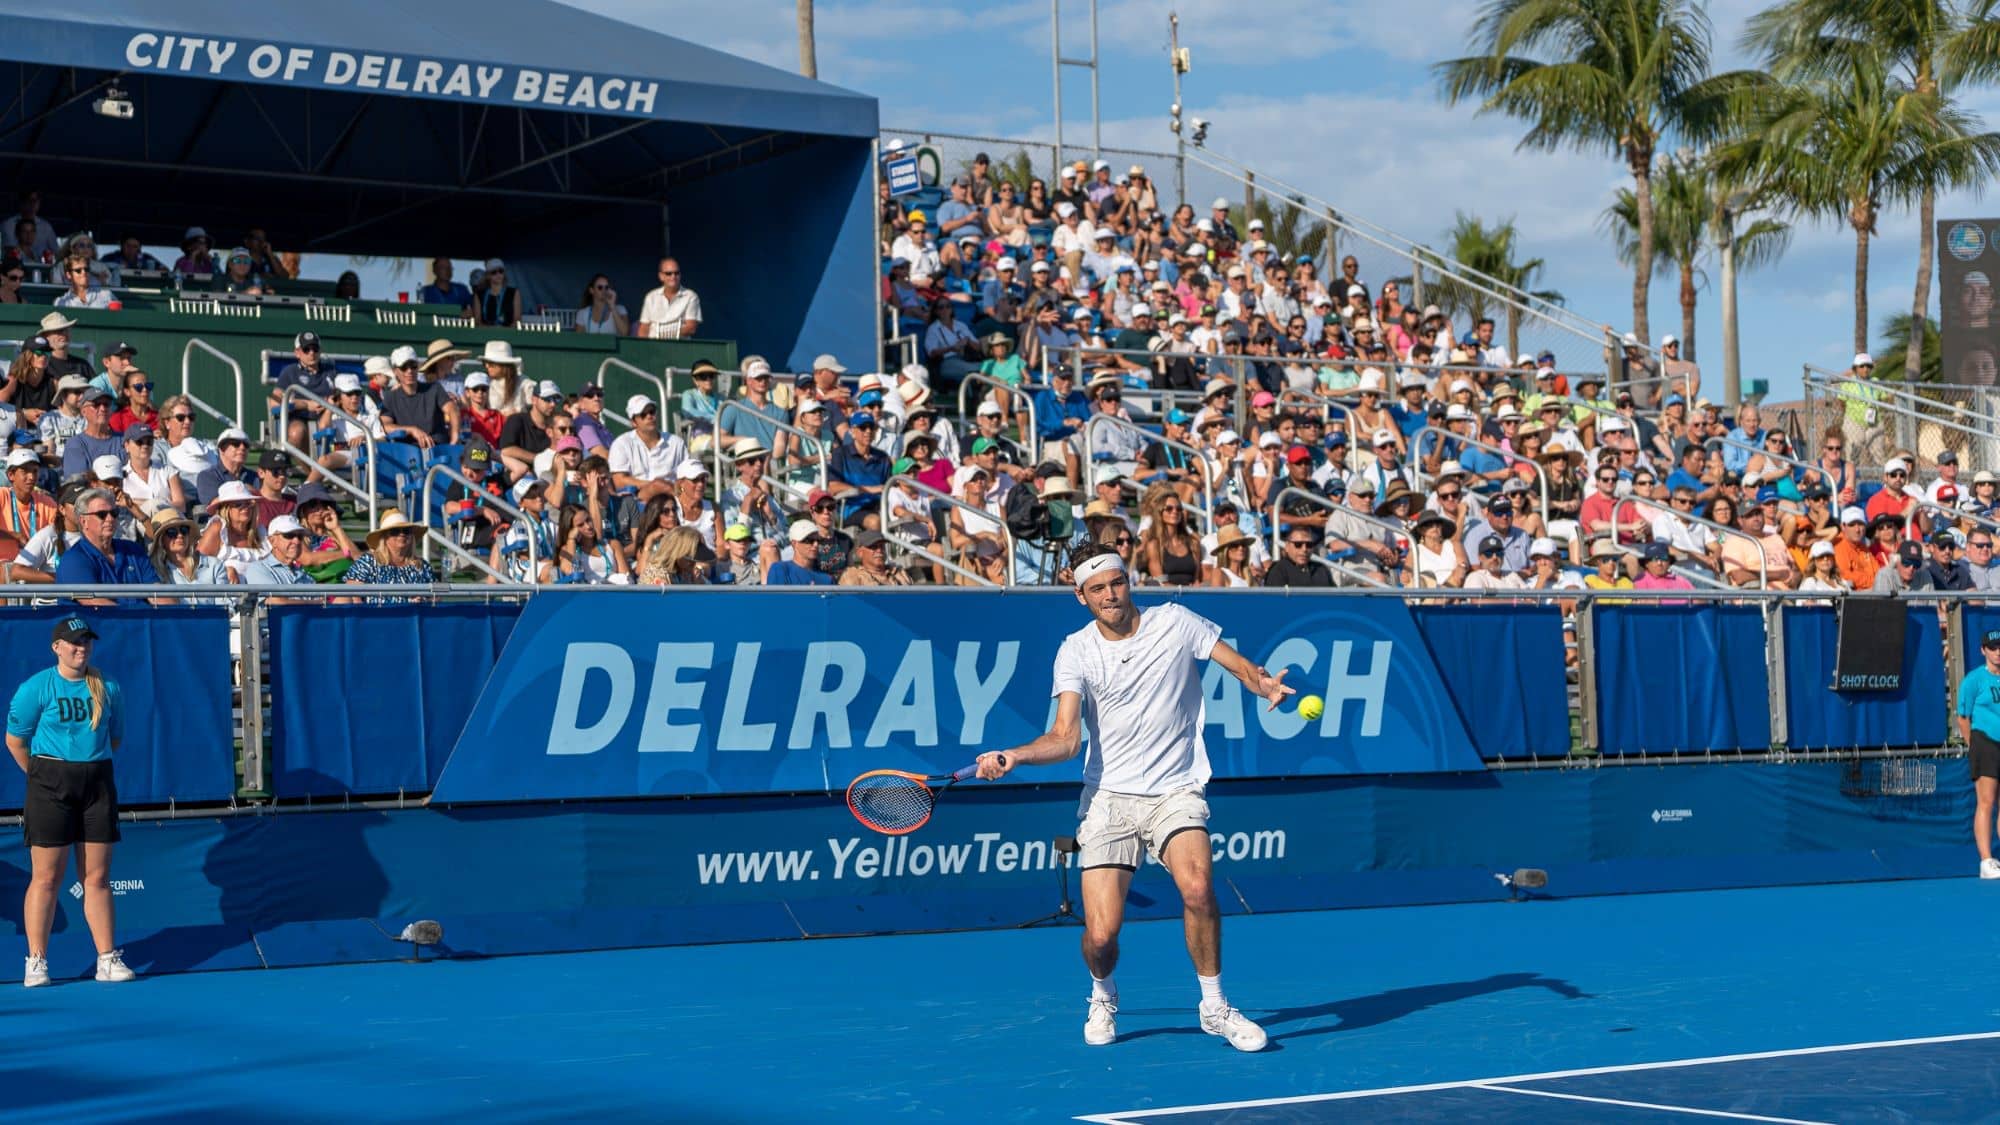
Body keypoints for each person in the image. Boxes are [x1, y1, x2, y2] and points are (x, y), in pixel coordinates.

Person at [972, 545, 1284, 1051]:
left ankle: (1214, 1005)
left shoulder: (1177, 622)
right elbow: (1066, 738)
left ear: (1128, 580)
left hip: (1175, 789)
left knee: (1199, 888)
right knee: (1101, 936)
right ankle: (1103, 992)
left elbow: (1239, 665)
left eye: (1116, 582)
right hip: (1109, 799)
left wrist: (1263, 683)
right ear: (1081, 596)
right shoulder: (1076, 650)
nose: (1110, 594)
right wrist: (1015, 755)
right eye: (1097, 589)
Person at [10, 616, 135, 987]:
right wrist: (42, 776)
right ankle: (36, 960)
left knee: (97, 878)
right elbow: (16, 740)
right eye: (74, 642)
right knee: (46, 878)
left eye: (86, 642)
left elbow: (114, 739)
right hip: (50, 784)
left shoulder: (107, 686)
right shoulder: (37, 687)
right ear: (57, 647)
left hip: (96, 783)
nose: (81, 648)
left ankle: (107, 958)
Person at [54, 488, 154, 598]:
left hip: (143, 614)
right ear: (83, 521)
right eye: (102, 514)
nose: (110, 518)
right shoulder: (73, 560)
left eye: (114, 513)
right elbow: (94, 605)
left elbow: (159, 595)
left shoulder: (134, 550)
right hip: (107, 615)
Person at [1958, 629, 2000, 880]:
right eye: (1993, 648)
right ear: (1983, 650)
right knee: (1986, 801)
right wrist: (1974, 745)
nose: (1998, 652)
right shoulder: (1974, 680)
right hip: (1985, 743)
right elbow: (1963, 718)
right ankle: (1986, 860)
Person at [638, 257, 702, 340]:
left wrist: (661, 335)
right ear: (661, 276)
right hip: (654, 347)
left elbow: (691, 328)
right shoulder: (651, 297)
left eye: (677, 273)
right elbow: (644, 328)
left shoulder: (691, 296)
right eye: (669, 273)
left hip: (679, 347)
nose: (673, 276)